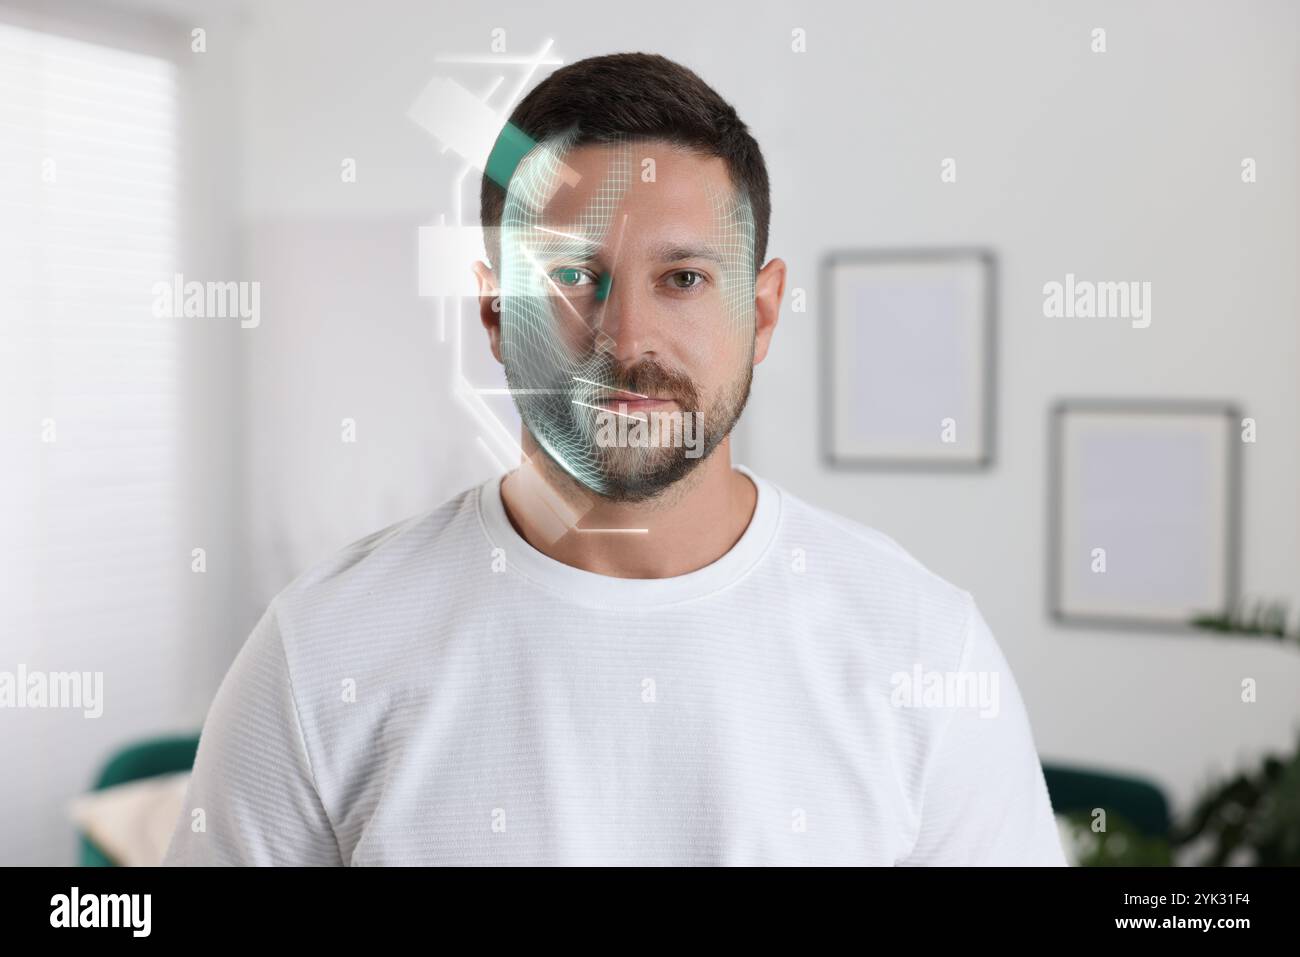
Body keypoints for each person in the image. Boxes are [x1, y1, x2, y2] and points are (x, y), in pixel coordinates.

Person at [164, 52, 1065, 866]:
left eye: (682, 279)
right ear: (492, 316)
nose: (626, 340)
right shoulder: (320, 653)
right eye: (571, 277)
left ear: (764, 310)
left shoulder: (923, 649)